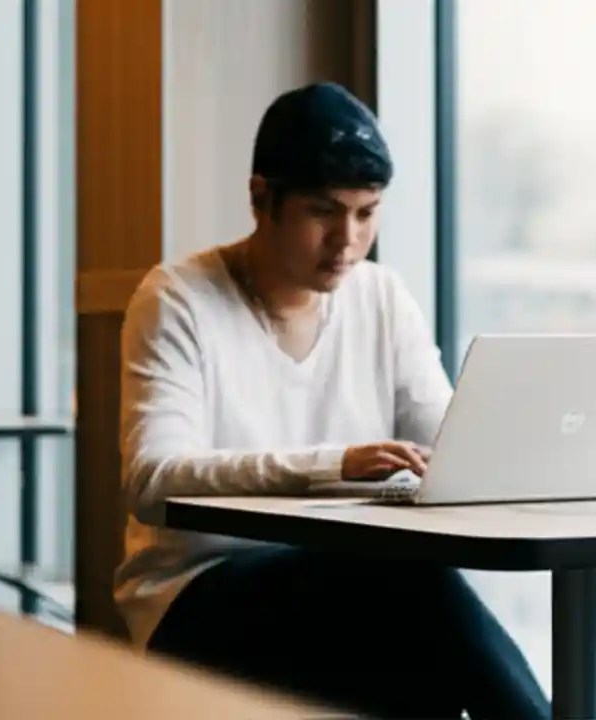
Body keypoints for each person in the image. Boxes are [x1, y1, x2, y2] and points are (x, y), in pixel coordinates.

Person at [114, 81, 549, 719]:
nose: (347, 239)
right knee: (410, 592)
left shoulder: (380, 297)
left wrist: (509, 447)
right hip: (198, 591)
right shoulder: (179, 297)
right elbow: (152, 480)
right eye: (324, 211)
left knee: (409, 639)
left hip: (347, 584)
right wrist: (336, 464)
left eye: (367, 213)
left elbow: (443, 444)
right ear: (262, 197)